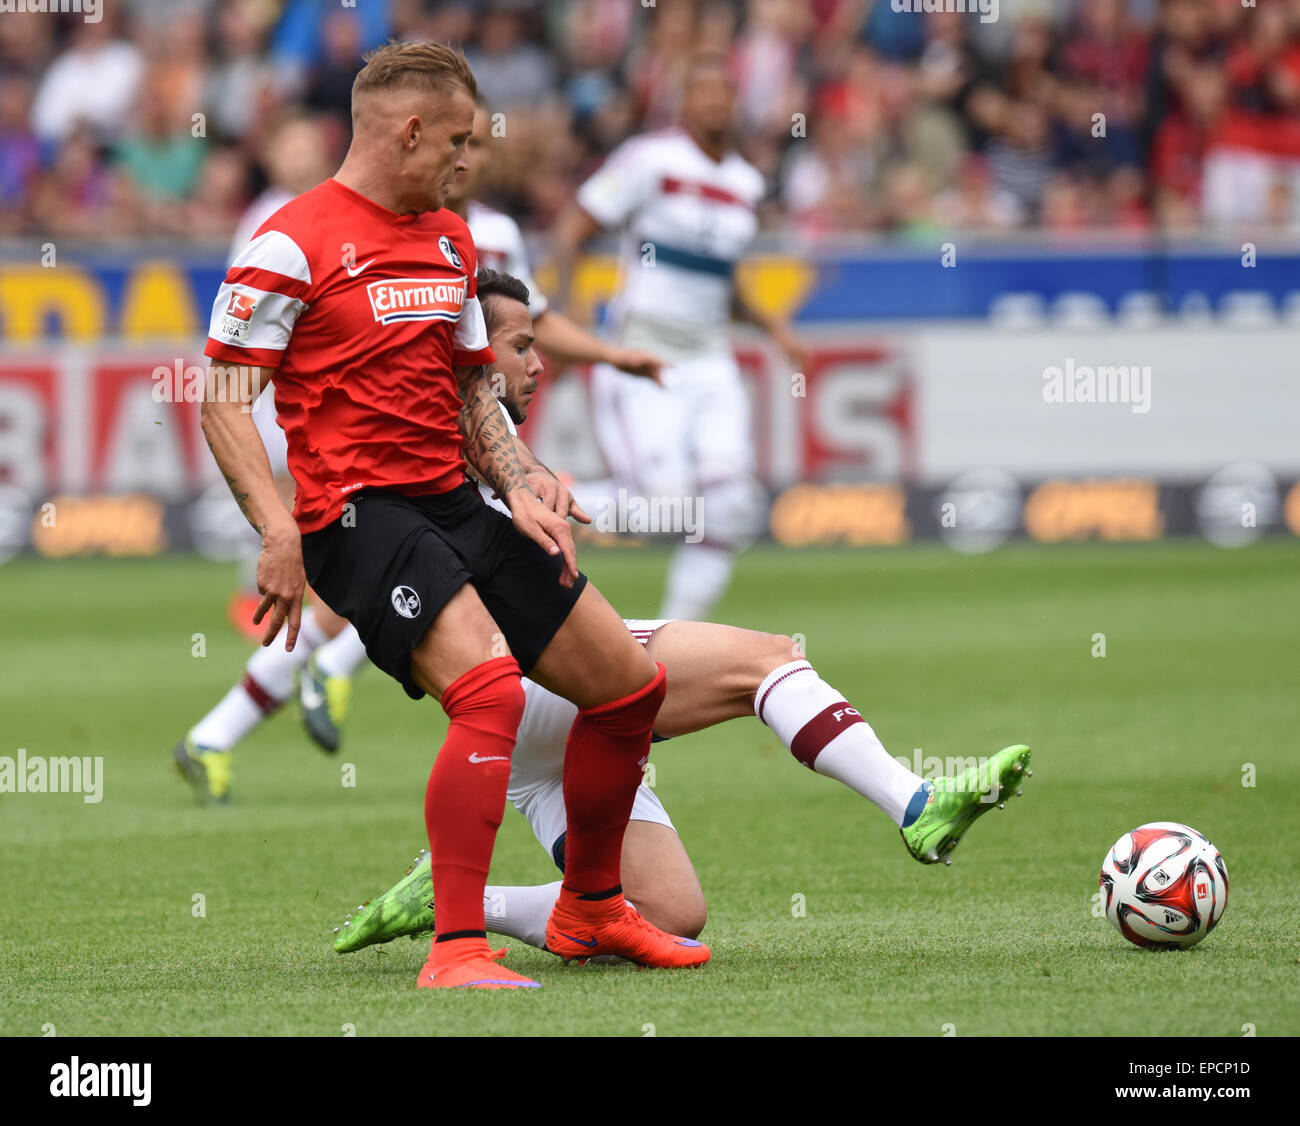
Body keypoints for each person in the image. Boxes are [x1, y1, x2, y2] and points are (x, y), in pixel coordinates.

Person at [330, 267, 1033, 958]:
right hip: (544, 681)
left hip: (528, 750)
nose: (538, 364)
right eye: (520, 348)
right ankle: (915, 806)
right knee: (768, 661)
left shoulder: (481, 444)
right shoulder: (441, 445)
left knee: (672, 911)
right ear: (472, 353)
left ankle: (463, 898)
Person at [197, 42, 709, 990]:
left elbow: (476, 391)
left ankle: (591, 907)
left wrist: (520, 481)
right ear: (410, 130)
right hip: (357, 517)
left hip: (453, 496)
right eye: (459, 141)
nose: (468, 159)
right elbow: (222, 398)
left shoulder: (452, 240)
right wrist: (277, 530)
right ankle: (455, 950)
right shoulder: (289, 242)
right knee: (493, 694)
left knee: (629, 687)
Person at [549, 49, 806, 623]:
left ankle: (677, 640)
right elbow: (573, 229)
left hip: (711, 358)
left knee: (732, 506)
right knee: (667, 508)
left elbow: (722, 278)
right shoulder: (650, 159)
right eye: (703, 90)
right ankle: (545, 495)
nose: (715, 101)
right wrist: (566, 319)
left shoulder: (744, 181)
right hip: (646, 352)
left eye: (724, 91)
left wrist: (775, 329)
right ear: (684, 102)